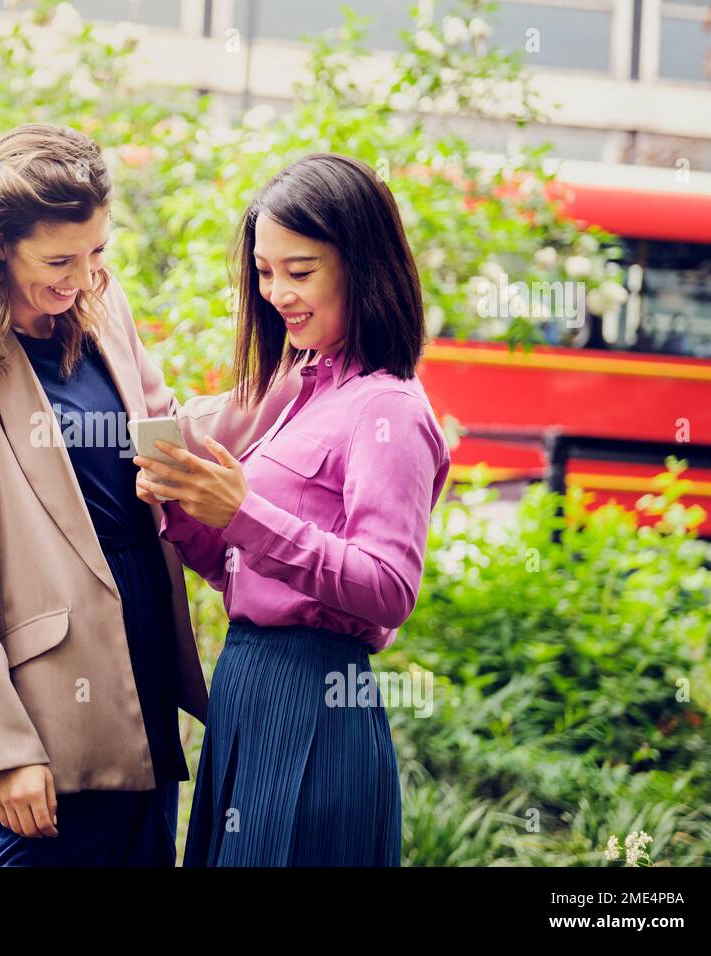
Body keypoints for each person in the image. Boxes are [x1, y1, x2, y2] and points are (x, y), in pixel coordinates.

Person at [0, 123, 304, 866]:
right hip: (49, 706)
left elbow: (164, 438)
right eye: (59, 260)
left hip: (143, 662)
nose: (82, 278)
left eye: (97, 253)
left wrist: (292, 382)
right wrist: (0, 749)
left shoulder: (99, 304)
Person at [135, 153, 452, 866]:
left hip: (316, 699)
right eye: (265, 271)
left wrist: (242, 511)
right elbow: (248, 567)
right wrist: (186, 508)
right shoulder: (306, 391)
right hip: (247, 684)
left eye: (299, 271)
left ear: (362, 264)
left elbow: (389, 588)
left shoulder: (388, 409)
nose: (277, 292)